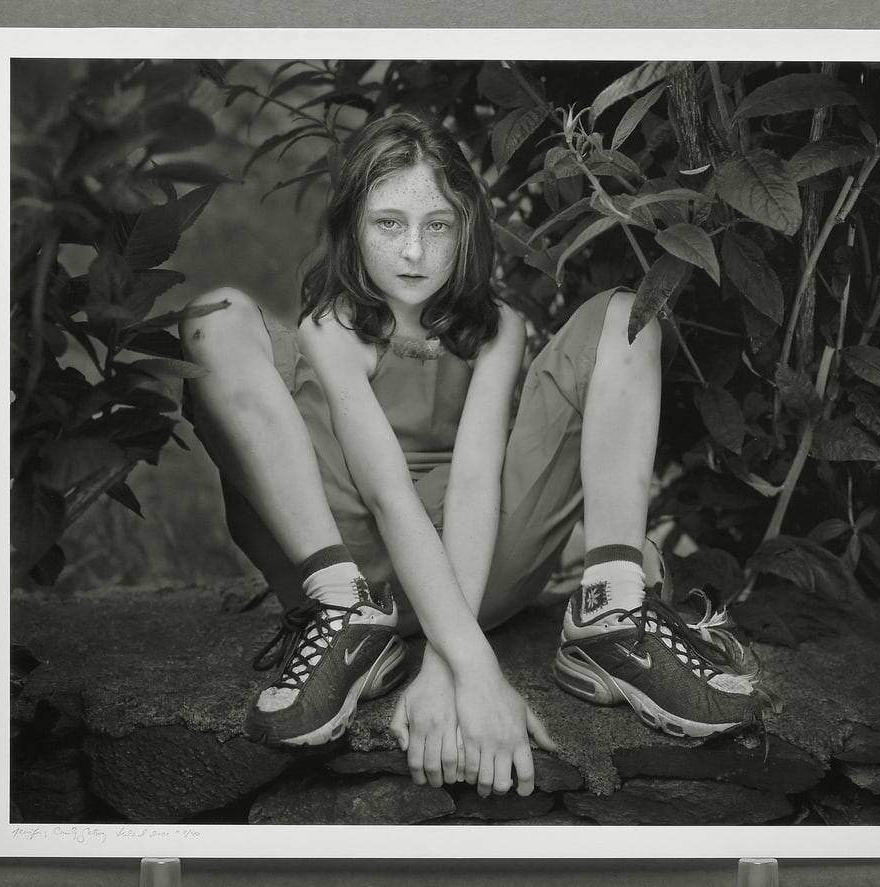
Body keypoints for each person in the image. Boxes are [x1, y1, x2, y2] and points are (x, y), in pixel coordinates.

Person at [180, 112, 764, 800]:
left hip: (477, 561)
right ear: (351, 228)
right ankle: (341, 616)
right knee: (212, 317)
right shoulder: (331, 327)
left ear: (469, 230)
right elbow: (388, 493)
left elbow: (479, 481)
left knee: (625, 312)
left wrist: (445, 668)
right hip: (356, 565)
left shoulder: (498, 328)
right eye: (388, 223)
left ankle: (612, 610)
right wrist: (471, 669)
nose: (414, 253)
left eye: (438, 225)